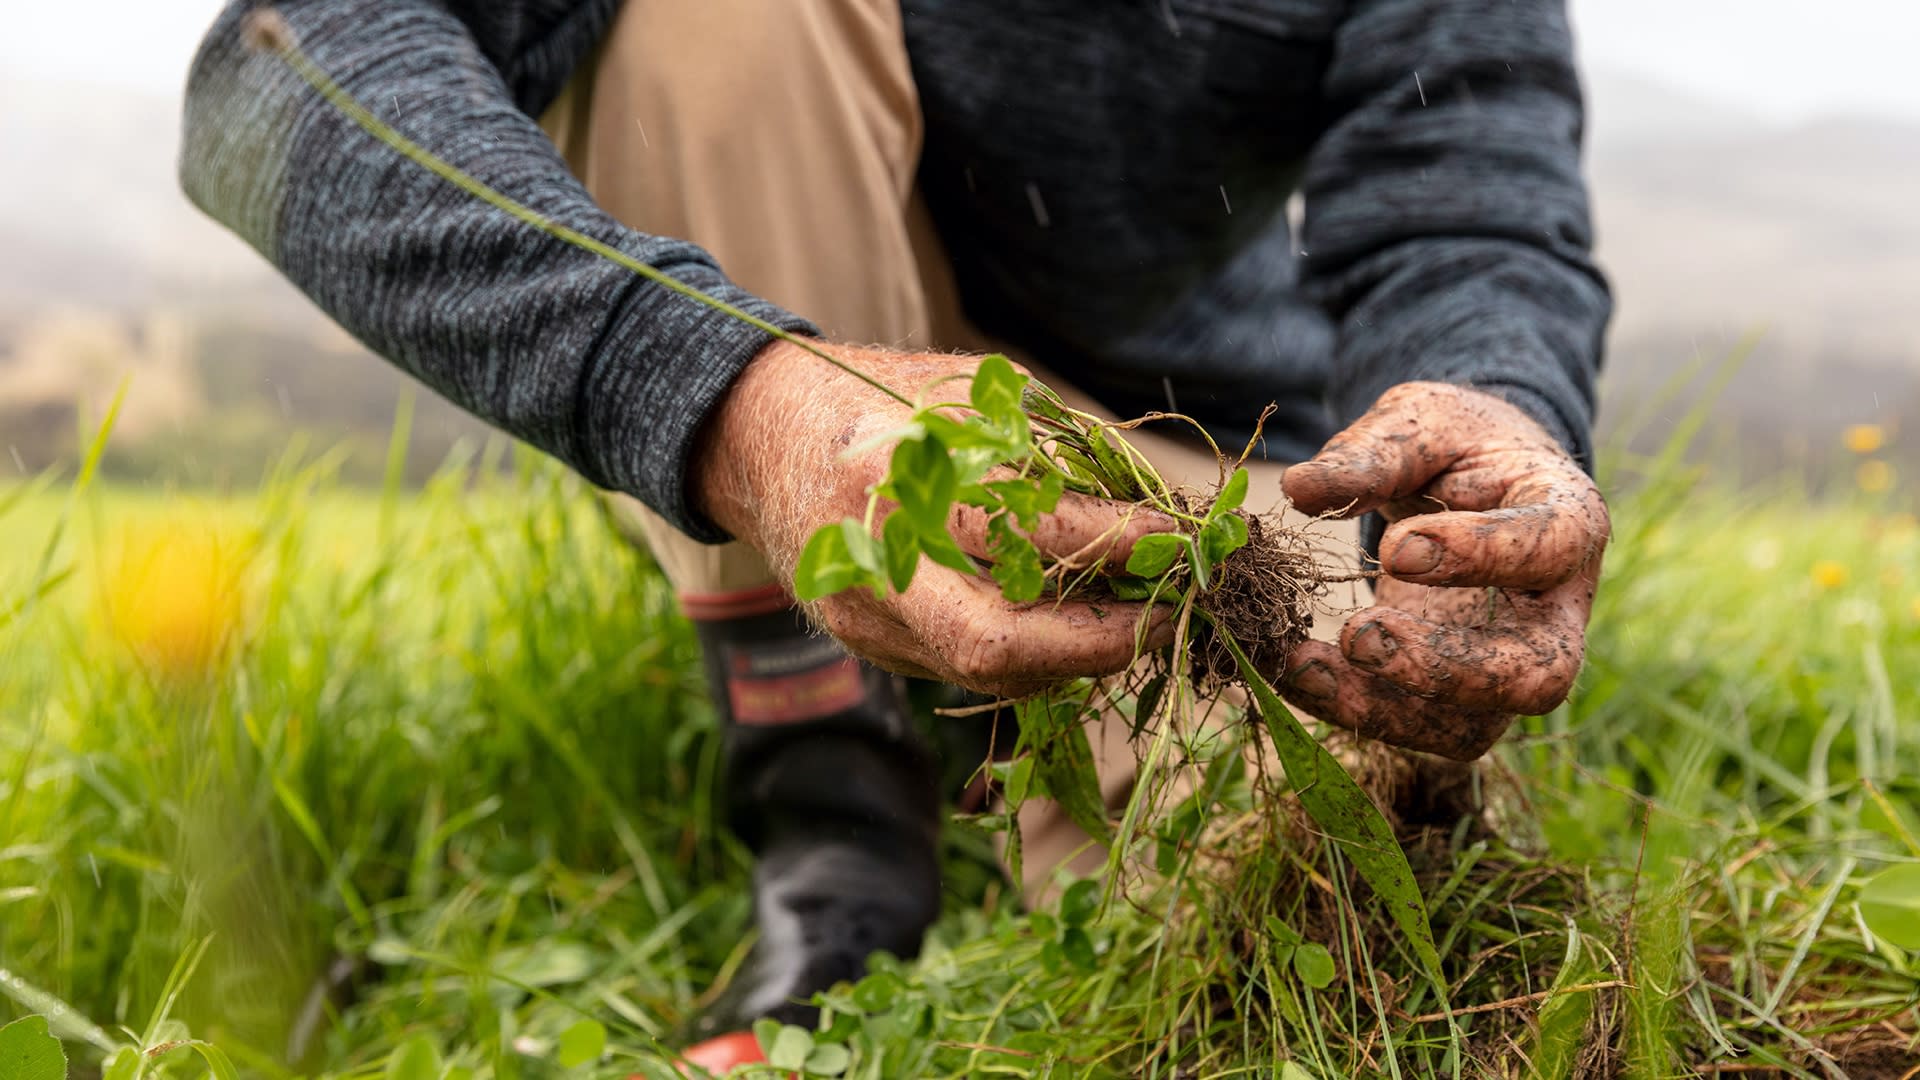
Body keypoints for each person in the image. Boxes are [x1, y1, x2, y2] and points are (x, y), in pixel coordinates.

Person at [181, 0, 1611, 1064]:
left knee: (1317, 908)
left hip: (1188, 473)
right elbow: (277, 67)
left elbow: (1470, 206)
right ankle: (836, 799)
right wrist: (740, 408)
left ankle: (1077, 757)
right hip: (788, 357)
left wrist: (1493, 426)